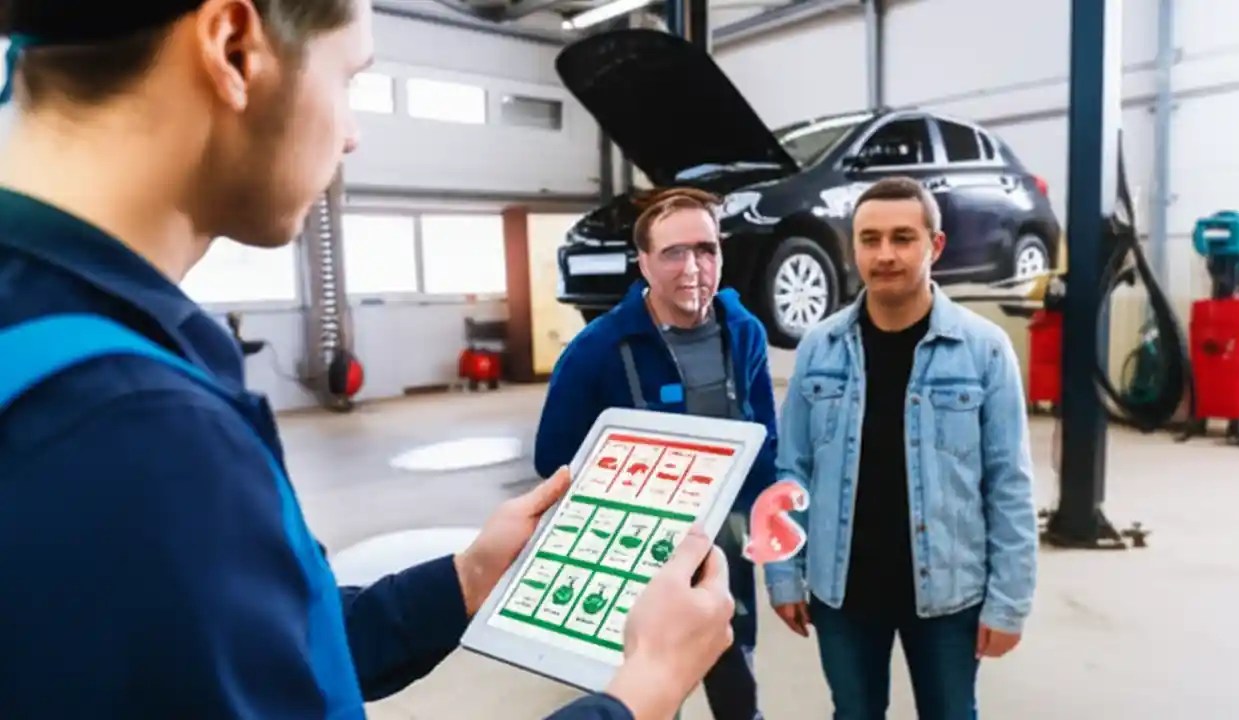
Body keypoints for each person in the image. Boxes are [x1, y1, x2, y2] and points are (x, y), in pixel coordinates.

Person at [0, 2, 738, 718]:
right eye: (348, 78)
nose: (351, 135)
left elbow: (278, 651)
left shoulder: (58, 338)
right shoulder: (144, 433)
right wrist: (640, 692)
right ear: (233, 47)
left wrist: (470, 577)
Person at [765, 176, 1038, 719]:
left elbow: (1009, 482)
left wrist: (1010, 602)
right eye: (870, 239)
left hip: (948, 592)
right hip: (841, 589)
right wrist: (782, 573)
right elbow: (791, 470)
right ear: (854, 247)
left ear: (934, 246)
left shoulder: (984, 350)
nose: (885, 254)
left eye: (902, 238)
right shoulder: (821, 345)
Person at [534, 187, 779, 720]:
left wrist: (767, 536)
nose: (693, 267)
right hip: (634, 560)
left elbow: (764, 445)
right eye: (672, 252)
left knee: (736, 684)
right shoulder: (596, 349)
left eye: (706, 249)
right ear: (642, 262)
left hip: (723, 555)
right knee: (644, 693)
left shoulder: (745, 334)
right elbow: (552, 461)